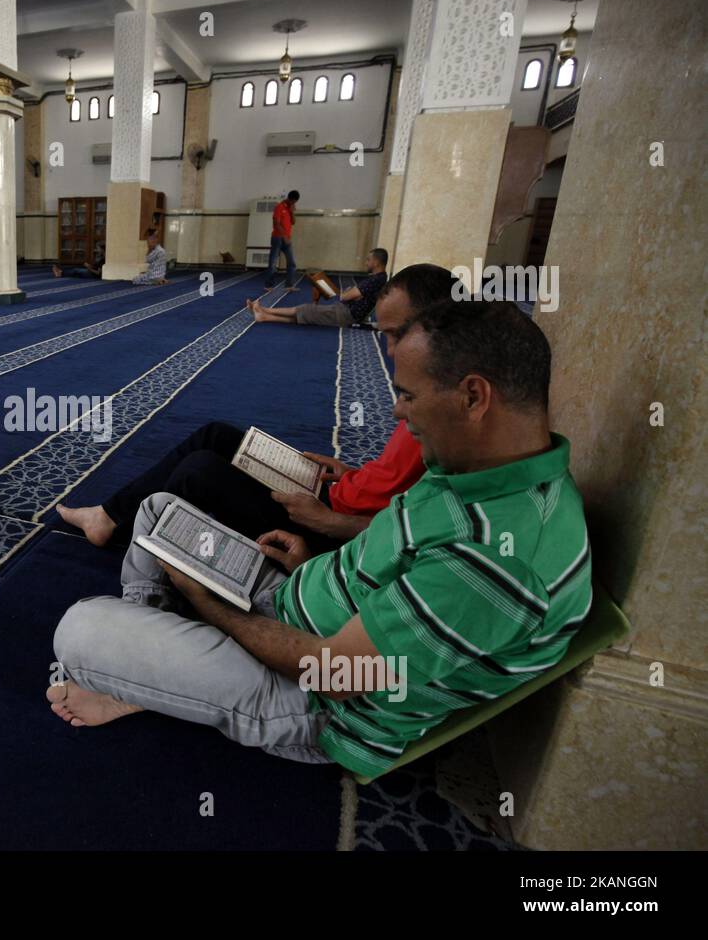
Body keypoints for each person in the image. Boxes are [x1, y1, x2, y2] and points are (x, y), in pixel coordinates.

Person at [49, 300, 591, 780]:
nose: (398, 412)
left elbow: (336, 674)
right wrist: (312, 563)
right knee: (159, 511)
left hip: (314, 702)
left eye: (406, 395)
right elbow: (394, 558)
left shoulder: (496, 562)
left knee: (78, 631)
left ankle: (141, 673)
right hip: (295, 600)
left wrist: (208, 604)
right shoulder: (484, 466)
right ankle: (144, 676)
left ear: (474, 396)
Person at [57, 264, 462, 551]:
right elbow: (398, 483)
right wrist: (350, 475)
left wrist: (335, 522)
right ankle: (108, 517)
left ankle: (129, 541)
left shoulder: (451, 416)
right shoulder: (430, 388)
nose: (388, 349)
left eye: (396, 333)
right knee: (216, 435)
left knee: (199, 472)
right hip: (334, 492)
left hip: (328, 526)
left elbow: (430, 529)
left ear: (436, 323)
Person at [249, 248, 389, 327]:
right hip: (345, 312)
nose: (366, 263)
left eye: (368, 260)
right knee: (305, 315)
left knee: (305, 309)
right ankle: (264, 316)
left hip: (345, 315)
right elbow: (354, 295)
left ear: (376, 262)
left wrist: (344, 292)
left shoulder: (375, 280)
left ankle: (264, 310)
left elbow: (346, 296)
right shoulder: (379, 278)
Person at [262, 189, 299, 291]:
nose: (294, 204)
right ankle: (268, 286)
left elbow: (294, 222)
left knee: (291, 263)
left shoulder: (289, 208)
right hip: (277, 238)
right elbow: (276, 224)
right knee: (273, 263)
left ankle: (289, 285)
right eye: (293, 202)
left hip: (287, 239)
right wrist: (284, 237)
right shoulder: (279, 207)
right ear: (290, 199)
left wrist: (292, 212)